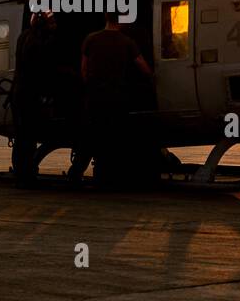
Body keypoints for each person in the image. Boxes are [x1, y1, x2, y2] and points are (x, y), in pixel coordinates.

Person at [74, 13, 152, 185]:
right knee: (113, 137)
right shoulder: (127, 42)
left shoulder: (91, 39)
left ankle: (76, 172)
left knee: (89, 136)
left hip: (94, 97)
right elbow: (143, 67)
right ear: (121, 21)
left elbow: (84, 70)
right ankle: (107, 176)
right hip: (116, 97)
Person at [11, 11, 57, 187]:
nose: (54, 25)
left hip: (18, 93)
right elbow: (42, 70)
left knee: (21, 136)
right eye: (51, 22)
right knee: (28, 137)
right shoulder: (39, 43)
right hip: (30, 95)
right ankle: (26, 175)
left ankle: (21, 173)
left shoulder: (24, 37)